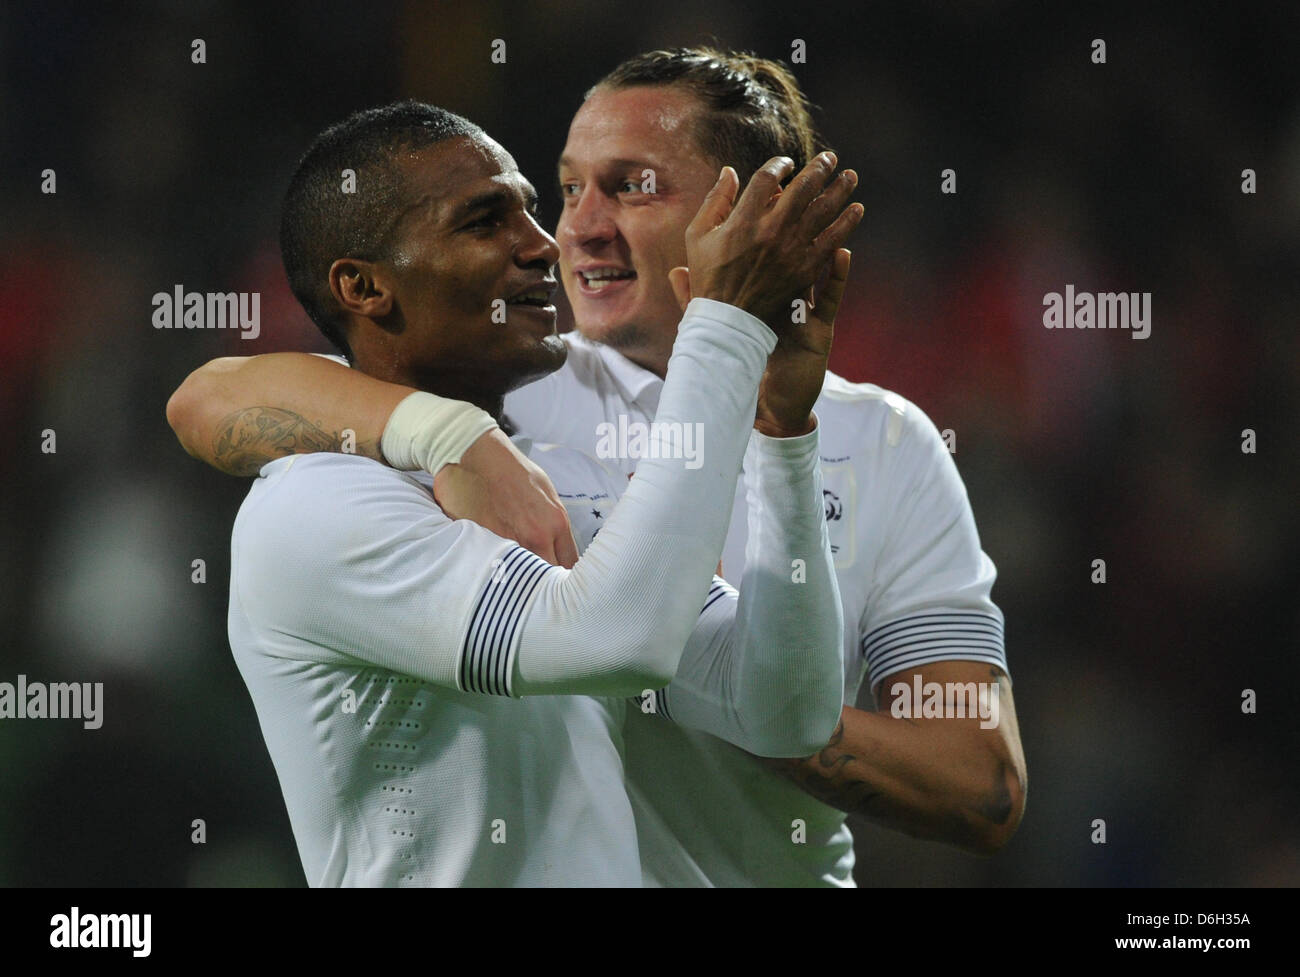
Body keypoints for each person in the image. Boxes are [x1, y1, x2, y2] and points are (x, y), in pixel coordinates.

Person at [170, 47, 1026, 887]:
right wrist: (445, 433)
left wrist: (774, 434)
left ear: (758, 216)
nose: (568, 231)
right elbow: (207, 397)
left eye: (631, 186)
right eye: (571, 186)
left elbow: (978, 784)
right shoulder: (515, 392)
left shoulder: (876, 440)